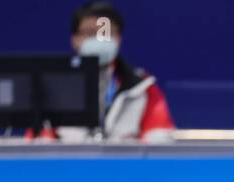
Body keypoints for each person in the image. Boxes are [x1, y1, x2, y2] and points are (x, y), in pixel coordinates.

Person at [58, 2, 175, 141]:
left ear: (118, 38)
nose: (98, 40)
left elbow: (160, 139)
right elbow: (39, 142)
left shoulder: (143, 88)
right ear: (75, 39)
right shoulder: (55, 87)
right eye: (90, 33)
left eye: (105, 33)